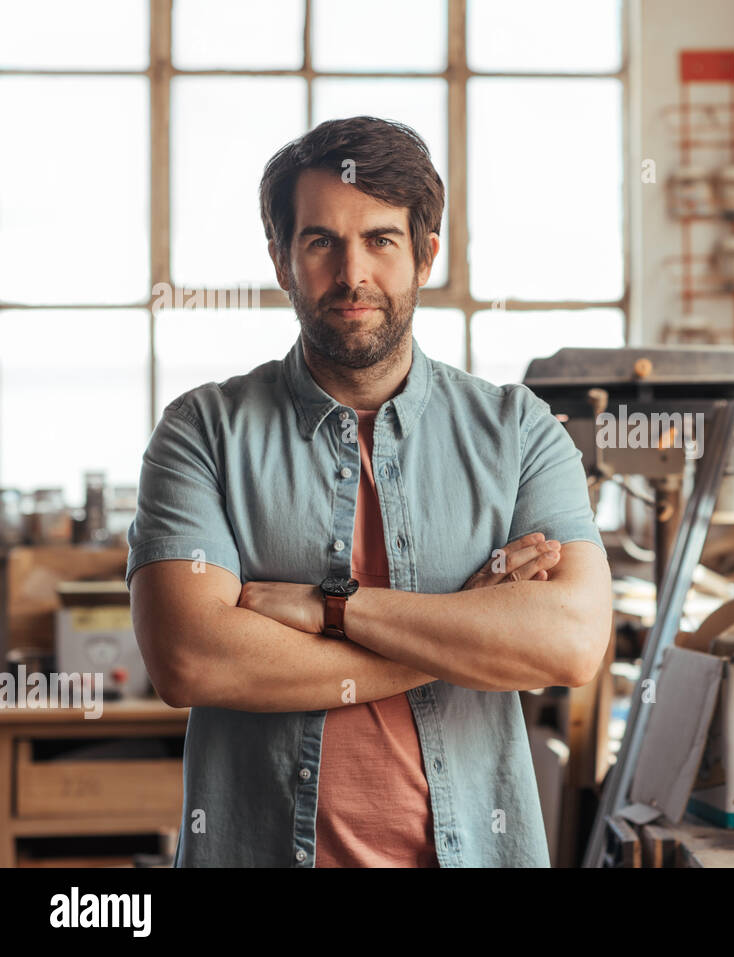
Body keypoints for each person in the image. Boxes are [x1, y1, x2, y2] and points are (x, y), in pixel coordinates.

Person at [127, 116, 612, 867]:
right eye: (321, 241)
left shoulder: (521, 430)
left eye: (381, 239)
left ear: (425, 257)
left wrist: (330, 611)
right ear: (282, 260)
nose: (352, 273)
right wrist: (464, 632)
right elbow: (190, 659)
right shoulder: (201, 431)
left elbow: (572, 641)